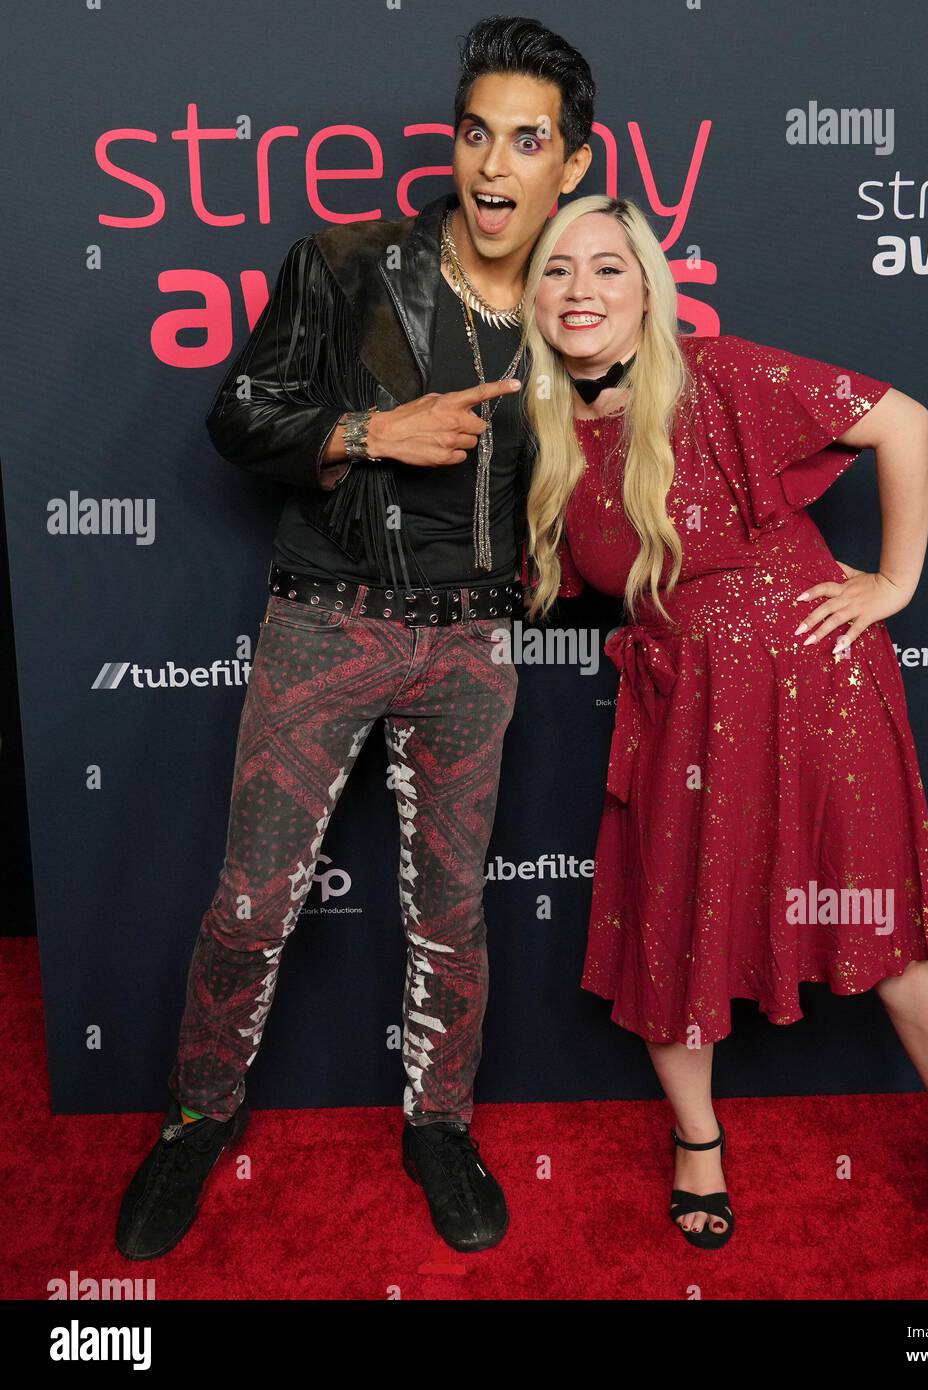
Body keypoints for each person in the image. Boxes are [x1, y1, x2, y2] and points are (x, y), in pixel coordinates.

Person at [115, 15, 593, 1260]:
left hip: (475, 649)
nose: (493, 164)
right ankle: (194, 1117)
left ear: (572, 165)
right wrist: (371, 434)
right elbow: (238, 412)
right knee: (250, 901)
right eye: (476, 132)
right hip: (327, 623)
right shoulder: (345, 264)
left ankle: (439, 1123)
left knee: (452, 907)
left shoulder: (579, 300)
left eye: (526, 141)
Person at [521, 195, 928, 1257]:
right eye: (556, 271)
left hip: (811, 687)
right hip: (680, 708)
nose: (581, 291)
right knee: (672, 928)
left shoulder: (717, 374)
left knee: (888, 925)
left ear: (646, 284)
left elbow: (900, 419)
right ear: (531, 296)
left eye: (607, 267)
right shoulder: (549, 436)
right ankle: (699, 1141)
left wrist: (892, 582)